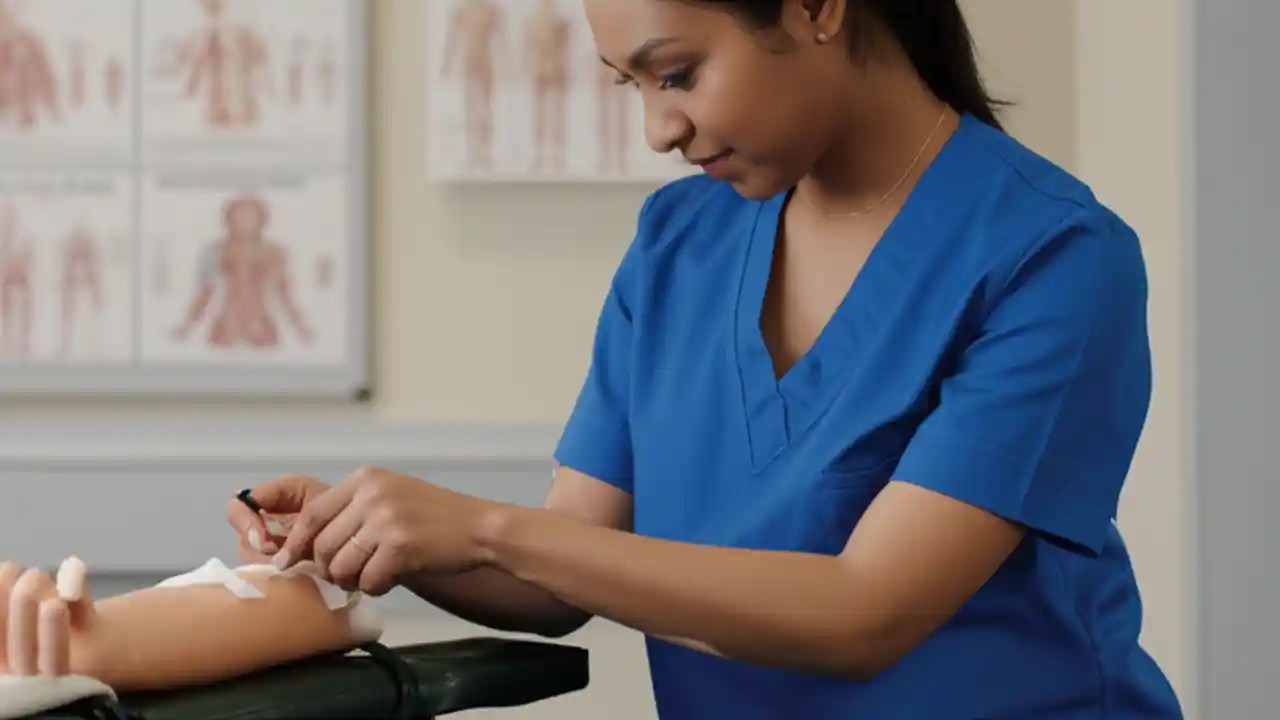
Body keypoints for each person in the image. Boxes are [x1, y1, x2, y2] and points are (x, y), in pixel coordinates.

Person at [229, 1, 1185, 717]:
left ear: (817, 8)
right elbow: (559, 573)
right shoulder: (678, 244)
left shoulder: (1053, 257)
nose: (659, 130)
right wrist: (377, 534)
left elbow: (865, 613)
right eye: (632, 86)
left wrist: (481, 528)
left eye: (677, 74)